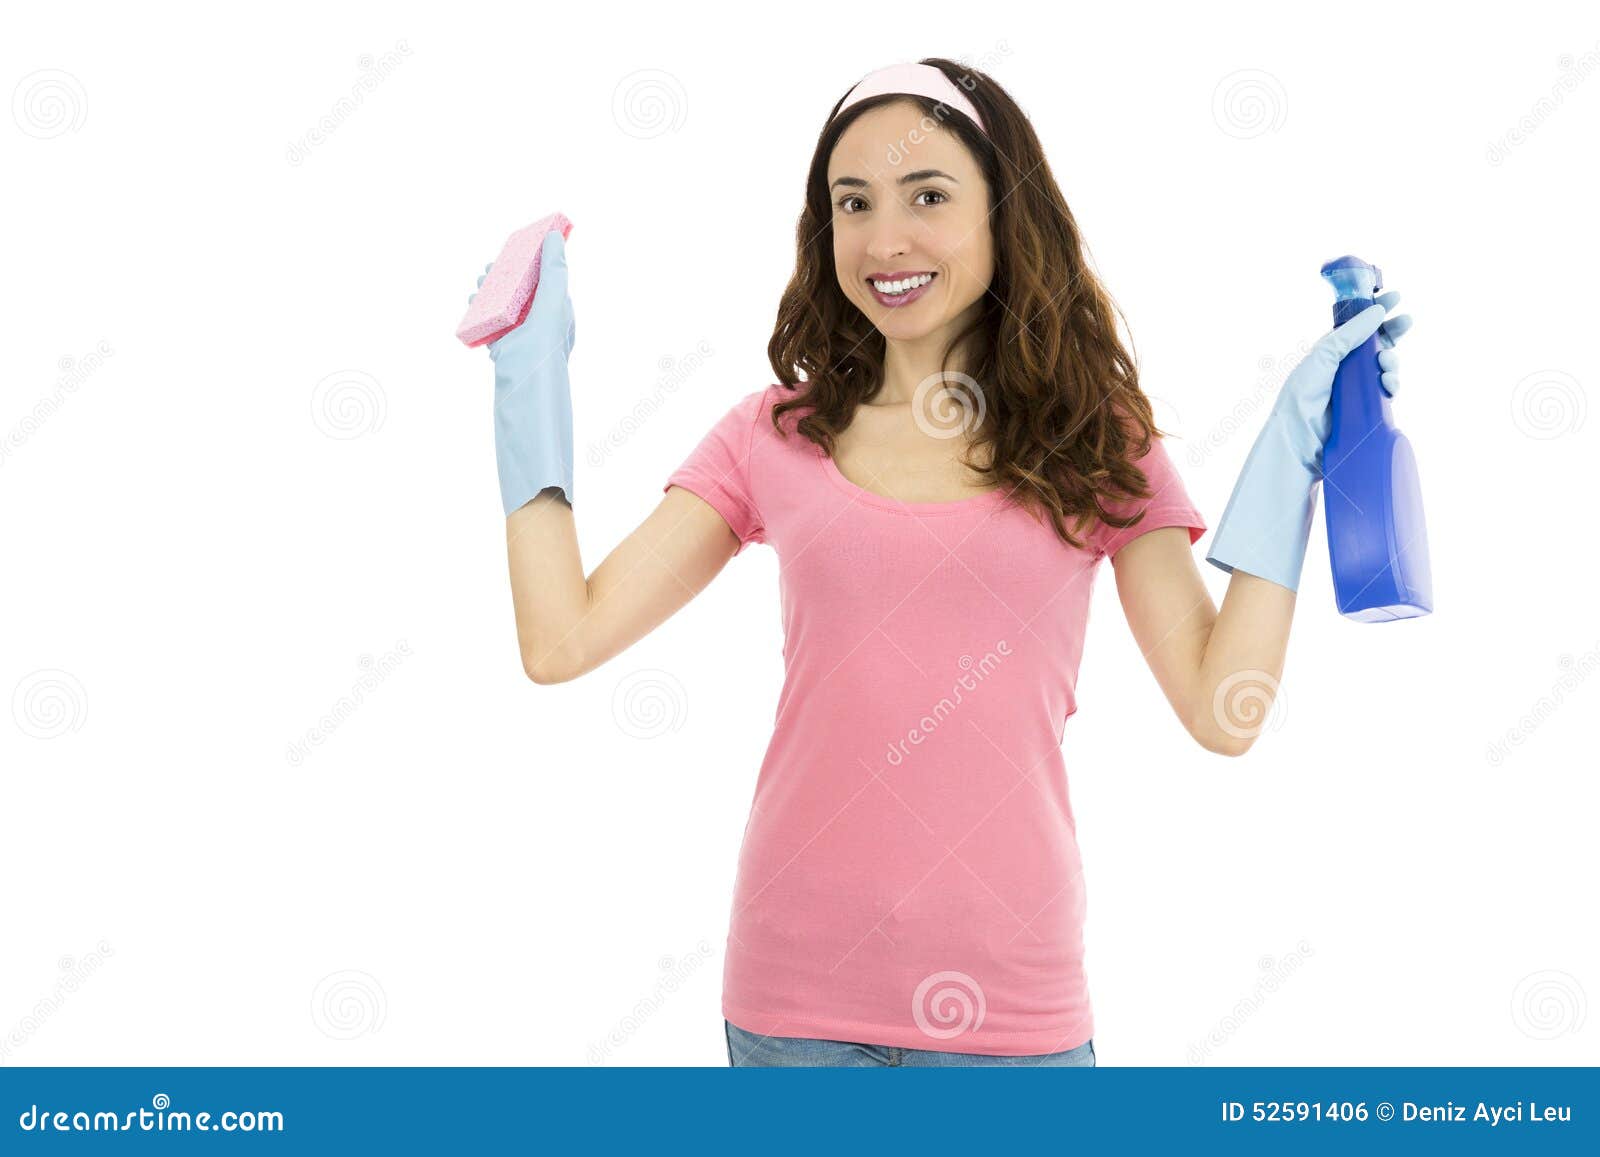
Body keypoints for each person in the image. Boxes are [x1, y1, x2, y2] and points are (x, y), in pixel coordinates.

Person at [467, 58, 1411, 1068]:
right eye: (853, 203)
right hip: (793, 1007)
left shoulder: (1092, 439)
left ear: (1005, 213)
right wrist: (529, 375)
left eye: (927, 196)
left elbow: (1224, 708)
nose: (885, 241)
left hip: (1013, 1016)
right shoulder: (769, 436)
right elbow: (561, 639)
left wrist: (1291, 456)